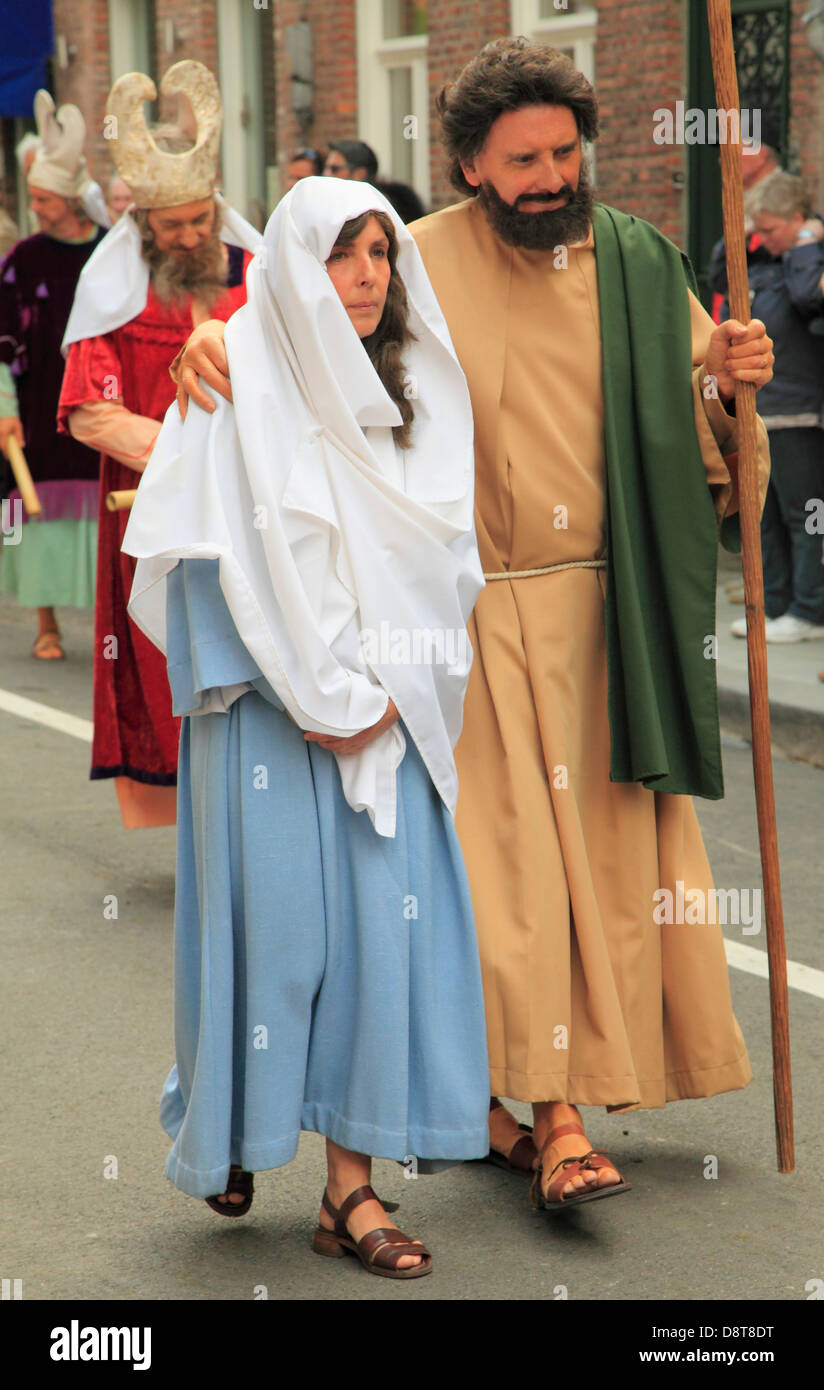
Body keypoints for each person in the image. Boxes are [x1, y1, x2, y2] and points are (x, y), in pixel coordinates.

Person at [170, 38, 775, 1215]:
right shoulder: (413, 260)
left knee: (604, 876)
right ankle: (552, 1120)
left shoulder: (633, 259)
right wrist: (217, 338)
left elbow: (701, 408)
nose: (549, 178)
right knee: (501, 879)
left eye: (563, 153)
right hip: (456, 616)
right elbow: (296, 330)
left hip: (606, 617)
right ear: (466, 165)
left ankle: (522, 1105)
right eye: (522, 160)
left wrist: (725, 378)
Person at [121, 176, 490, 1279]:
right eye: (342, 253)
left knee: (380, 944)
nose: (367, 274)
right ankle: (232, 1131)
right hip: (265, 717)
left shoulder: (422, 386)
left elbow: (445, 560)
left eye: (380, 251)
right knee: (273, 942)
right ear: (293, 266)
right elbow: (198, 559)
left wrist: (385, 692)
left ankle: (350, 1190)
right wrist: (303, 691)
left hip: (388, 706)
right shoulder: (232, 373)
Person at [56, 61, 261, 828]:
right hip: (157, 512)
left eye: (200, 220)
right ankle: (198, 816)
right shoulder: (116, 292)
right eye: (173, 227)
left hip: (253, 502)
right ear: (144, 225)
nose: (191, 236)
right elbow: (91, 412)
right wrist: (188, 455)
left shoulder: (253, 274)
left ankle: (257, 805)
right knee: (169, 654)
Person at [0, 91, 108, 660]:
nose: (35, 207)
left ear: (69, 201)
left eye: (42, 198)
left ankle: (109, 624)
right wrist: (5, 409)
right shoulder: (23, 259)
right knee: (38, 515)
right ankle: (46, 624)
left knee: (105, 515)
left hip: (99, 405)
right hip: (38, 407)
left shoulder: (112, 254)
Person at [717, 173, 824, 643]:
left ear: (798, 220)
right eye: (758, 229)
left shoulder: (808, 263)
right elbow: (721, 275)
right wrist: (742, 233)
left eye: (772, 228)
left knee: (807, 514)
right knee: (765, 514)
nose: (763, 238)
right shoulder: (763, 265)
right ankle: (774, 605)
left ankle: (810, 609)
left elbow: (806, 297)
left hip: (799, 412)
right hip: (761, 412)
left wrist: (805, 243)